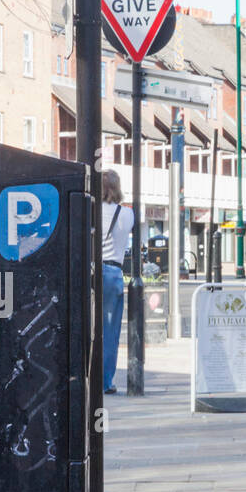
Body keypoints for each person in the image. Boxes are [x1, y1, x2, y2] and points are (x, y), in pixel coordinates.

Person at [101, 169, 135, 395]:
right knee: (110, 331)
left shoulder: (91, 210)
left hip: (91, 270)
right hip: (114, 274)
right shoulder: (127, 214)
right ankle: (106, 381)